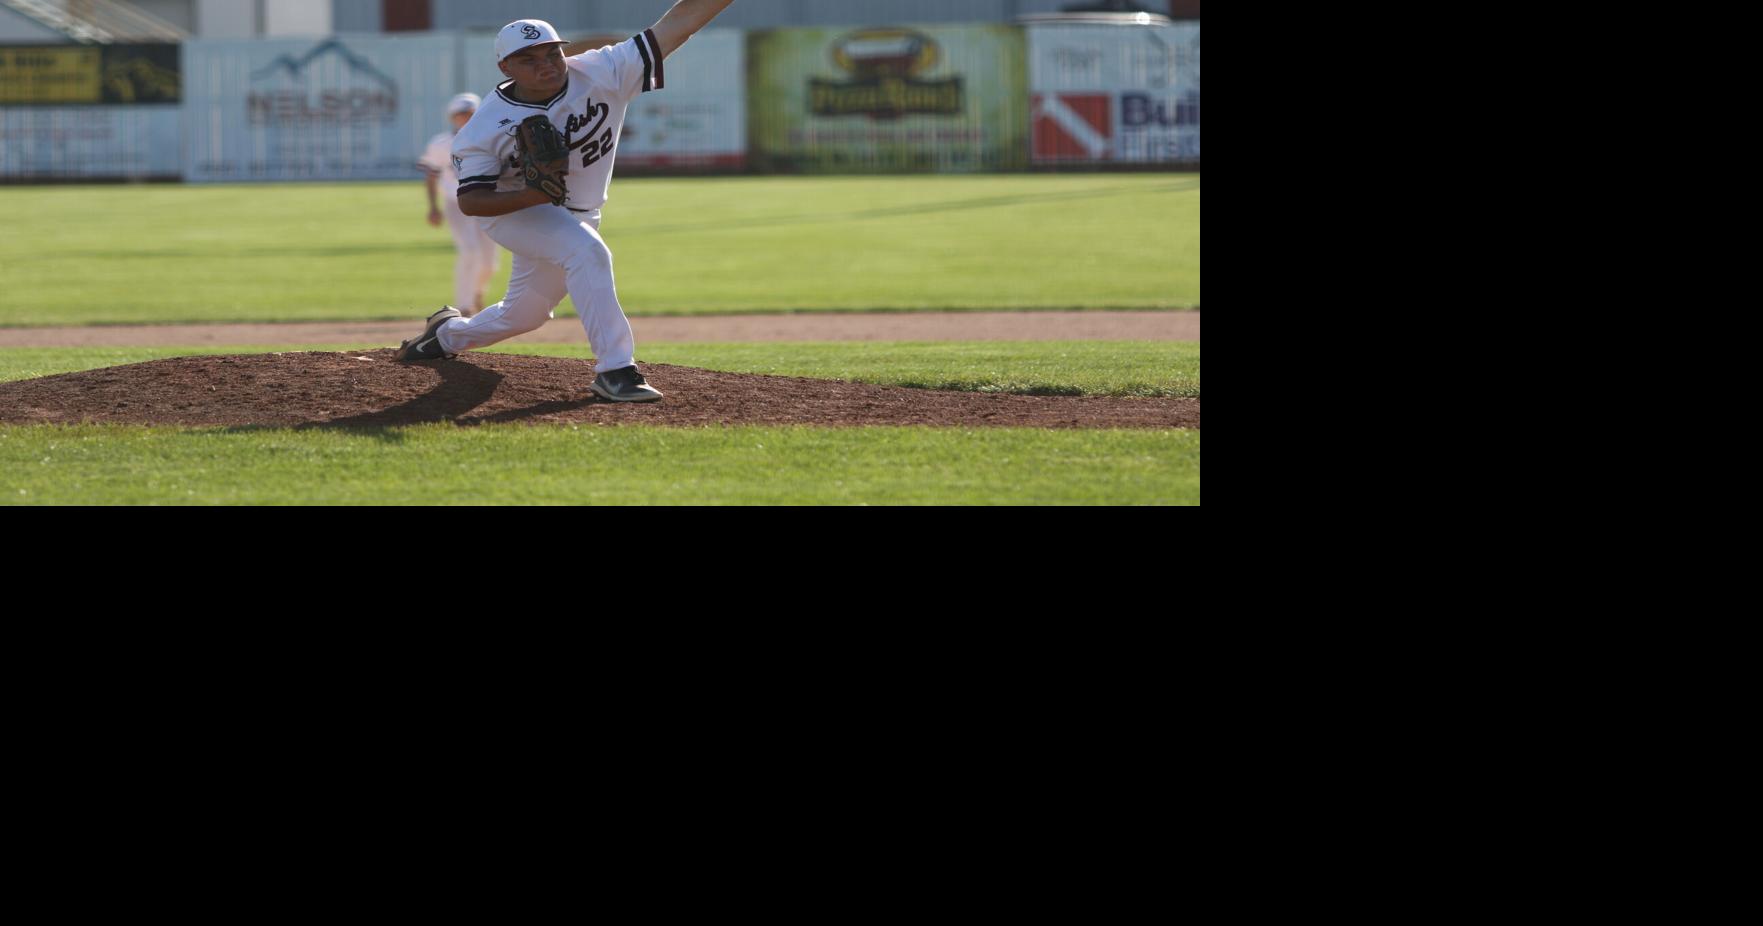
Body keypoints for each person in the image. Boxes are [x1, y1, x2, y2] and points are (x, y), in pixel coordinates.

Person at [394, 1, 737, 403]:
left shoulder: (605, 70)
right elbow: (472, 201)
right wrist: (530, 194)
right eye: (528, 59)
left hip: (577, 213)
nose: (546, 64)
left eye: (552, 52)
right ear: (506, 68)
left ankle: (447, 334)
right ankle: (615, 371)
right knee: (587, 252)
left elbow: (679, 22)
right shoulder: (483, 129)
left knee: (524, 315)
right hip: (516, 211)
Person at [416, 93, 500, 316]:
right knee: (469, 251)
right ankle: (464, 307)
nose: (466, 117)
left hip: (487, 203)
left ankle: (477, 292)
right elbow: (431, 176)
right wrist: (433, 207)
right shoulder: (441, 144)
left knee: (490, 264)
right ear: (453, 117)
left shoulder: (492, 138)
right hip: (457, 204)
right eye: (462, 114)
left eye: (471, 113)